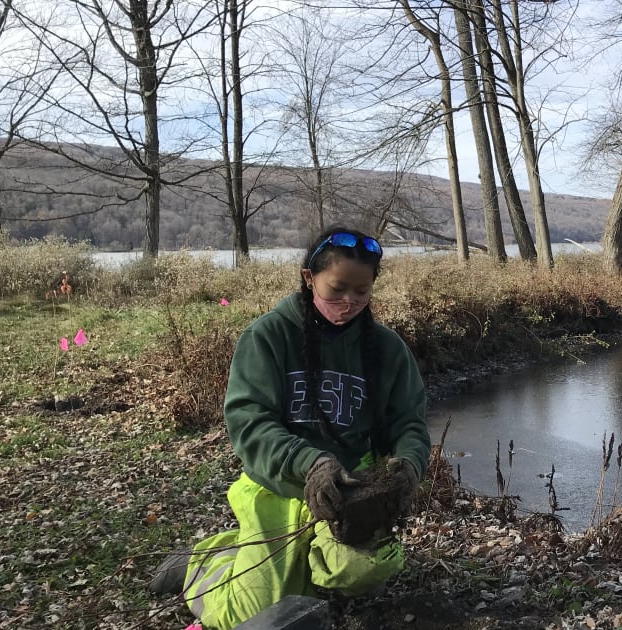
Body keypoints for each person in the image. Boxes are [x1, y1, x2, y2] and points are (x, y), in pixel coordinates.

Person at [149, 226, 431, 629]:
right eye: (337, 289)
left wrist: (408, 464)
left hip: (348, 493)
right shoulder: (267, 337)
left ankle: (310, 566)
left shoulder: (387, 348)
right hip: (277, 485)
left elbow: (410, 423)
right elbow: (250, 423)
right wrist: (310, 463)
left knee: (365, 572)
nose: (349, 302)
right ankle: (205, 562)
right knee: (248, 615)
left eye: (362, 291)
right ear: (308, 278)